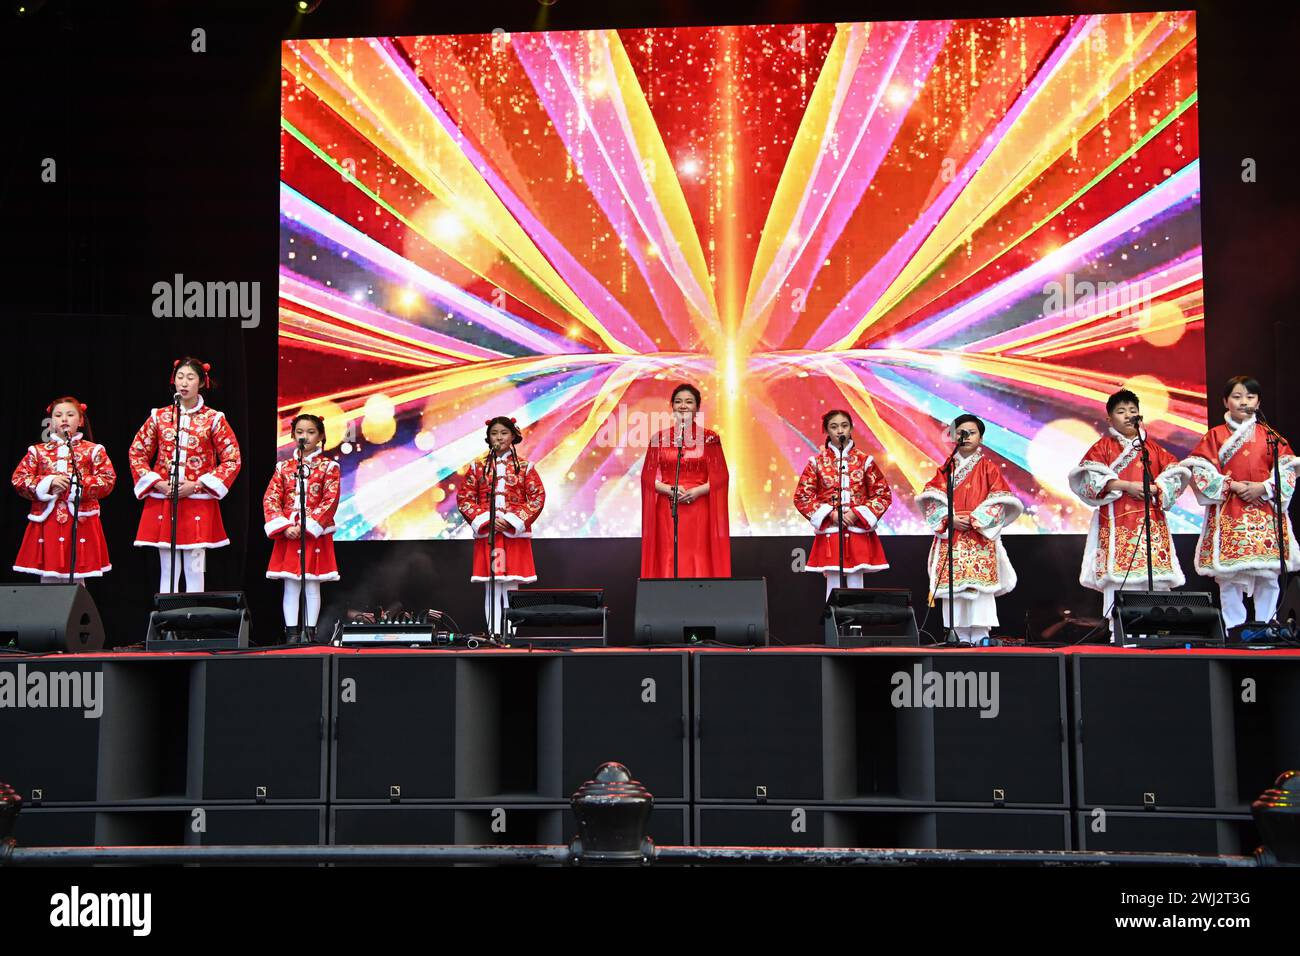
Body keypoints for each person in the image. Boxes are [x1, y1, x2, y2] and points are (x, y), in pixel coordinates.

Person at [1068, 389, 1190, 638]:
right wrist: (1124, 485)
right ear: (1109, 419)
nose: (1128, 416)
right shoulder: (1102, 447)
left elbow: (1176, 475)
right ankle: (1119, 631)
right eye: (1121, 412)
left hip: (1149, 521)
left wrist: (1157, 488)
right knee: (1118, 579)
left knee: (1151, 577)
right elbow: (1088, 480)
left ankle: (1155, 630)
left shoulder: (1152, 449)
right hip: (1115, 520)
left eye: (1133, 411)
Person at [1183, 375, 1299, 628]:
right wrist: (1232, 485)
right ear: (1225, 401)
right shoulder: (1214, 436)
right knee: (1229, 577)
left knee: (1268, 575)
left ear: (1258, 402)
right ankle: (1233, 627)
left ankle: (1266, 626)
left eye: (1250, 397)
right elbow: (1199, 470)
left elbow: (1289, 468)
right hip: (1229, 512)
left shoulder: (1270, 436)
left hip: (1264, 512)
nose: (1243, 402)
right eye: (1237, 397)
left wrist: (1263, 487)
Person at [128, 357, 242, 593]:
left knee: (195, 568)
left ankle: (192, 625)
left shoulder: (214, 419)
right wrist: (156, 483)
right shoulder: (159, 417)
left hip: (198, 506)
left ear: (201, 382)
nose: (184, 382)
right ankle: (168, 625)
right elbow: (137, 452)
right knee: (168, 569)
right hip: (164, 502)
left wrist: (198, 485)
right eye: (180, 377)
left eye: (190, 377)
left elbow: (232, 459)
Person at [914, 414, 1023, 642]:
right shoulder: (945, 470)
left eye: (971, 432)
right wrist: (949, 518)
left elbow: (1000, 501)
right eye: (961, 432)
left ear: (981, 438)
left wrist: (974, 519)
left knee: (980, 593)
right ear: (954, 436)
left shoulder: (989, 469)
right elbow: (931, 499)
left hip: (979, 537)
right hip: (952, 536)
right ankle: (958, 637)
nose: (966, 437)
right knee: (955, 593)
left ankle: (980, 638)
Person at [457, 416, 546, 635]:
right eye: (494, 433)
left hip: (513, 535)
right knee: (492, 584)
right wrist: (487, 519)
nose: (499, 437)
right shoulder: (478, 468)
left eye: (504, 433)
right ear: (488, 437)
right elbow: (465, 499)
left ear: (514, 436)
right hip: (490, 535)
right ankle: (493, 632)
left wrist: (511, 520)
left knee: (511, 584)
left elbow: (537, 497)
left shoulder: (525, 467)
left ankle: (509, 634)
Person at [12, 397, 116, 582]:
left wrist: (75, 484)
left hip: (80, 520)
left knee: (77, 576)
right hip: (48, 521)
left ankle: (76, 610)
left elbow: (107, 480)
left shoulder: (94, 450)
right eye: (58, 415)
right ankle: (49, 611)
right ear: (51, 422)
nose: (64, 419)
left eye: (70, 414)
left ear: (81, 420)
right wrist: (49, 482)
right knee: (48, 575)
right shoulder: (38, 451)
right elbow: (19, 479)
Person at [792, 409, 892, 597]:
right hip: (831, 532)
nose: (840, 431)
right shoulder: (817, 462)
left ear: (851, 428)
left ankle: (856, 625)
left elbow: (883, 494)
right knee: (833, 582)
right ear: (827, 431)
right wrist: (830, 514)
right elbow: (802, 497)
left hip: (858, 530)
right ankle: (834, 625)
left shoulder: (865, 461)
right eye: (834, 426)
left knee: (856, 582)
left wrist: (857, 513)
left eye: (844, 426)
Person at [639, 383, 731, 578]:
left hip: (700, 508)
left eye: (689, 402)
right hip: (667, 507)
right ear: (671, 406)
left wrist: (697, 491)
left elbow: (721, 477)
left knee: (697, 554)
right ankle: (667, 604)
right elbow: (647, 478)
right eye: (678, 402)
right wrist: (668, 489)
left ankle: (700, 602)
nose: (683, 406)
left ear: (697, 408)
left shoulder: (710, 438)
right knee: (669, 555)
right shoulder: (659, 438)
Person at [263, 414, 340, 643]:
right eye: (299, 432)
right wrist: (285, 526)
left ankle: (310, 633)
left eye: (310, 432)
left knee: (312, 584)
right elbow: (271, 498)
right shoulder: (283, 468)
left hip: (314, 535)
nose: (304, 437)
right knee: (291, 585)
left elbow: (331, 499)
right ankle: (291, 634)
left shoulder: (329, 467)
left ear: (321, 436)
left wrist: (308, 526)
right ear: (293, 435)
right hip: (289, 534)